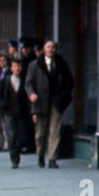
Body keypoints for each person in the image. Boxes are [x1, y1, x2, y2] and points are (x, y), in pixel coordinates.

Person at [25, 38, 74, 168]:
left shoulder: (61, 64)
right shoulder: (35, 65)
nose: (51, 49)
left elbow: (69, 81)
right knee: (40, 133)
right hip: (40, 102)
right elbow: (28, 83)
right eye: (48, 47)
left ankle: (52, 158)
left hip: (56, 102)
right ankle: (41, 154)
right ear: (43, 49)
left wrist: (64, 95)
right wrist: (32, 94)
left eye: (53, 47)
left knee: (55, 130)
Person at [0, 55, 31, 167]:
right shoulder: (5, 81)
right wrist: (3, 105)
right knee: (11, 136)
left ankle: (17, 152)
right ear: (11, 67)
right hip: (8, 113)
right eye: (15, 66)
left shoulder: (24, 81)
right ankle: (14, 159)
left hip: (21, 113)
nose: (17, 68)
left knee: (20, 136)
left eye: (19, 66)